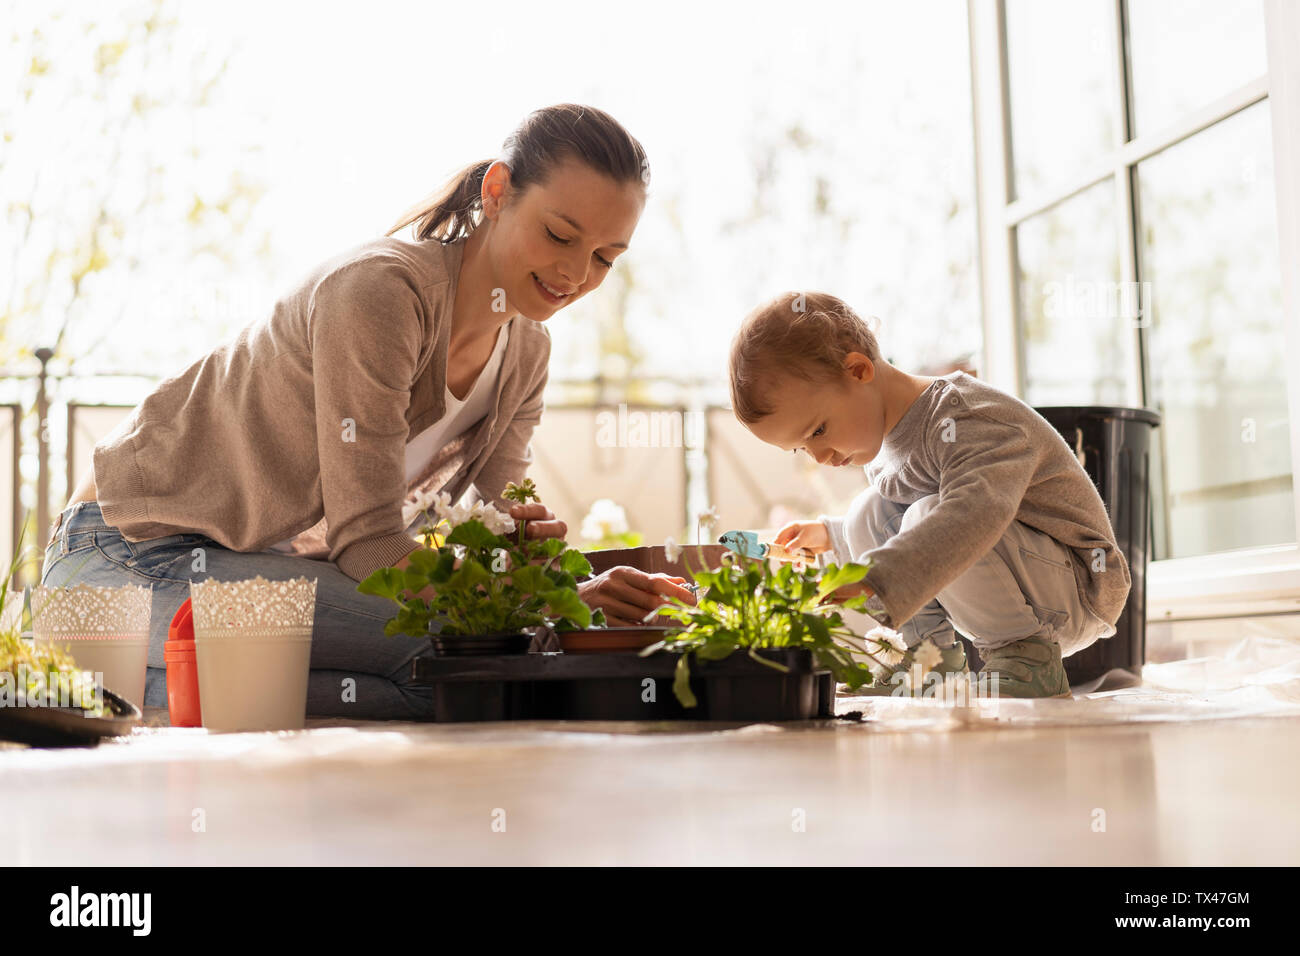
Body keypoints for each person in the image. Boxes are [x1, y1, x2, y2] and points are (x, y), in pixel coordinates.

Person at [42, 104, 694, 719]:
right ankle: (103, 661)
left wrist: (549, 583)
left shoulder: (526, 352)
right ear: (497, 193)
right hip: (128, 555)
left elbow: (486, 553)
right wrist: (551, 619)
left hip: (248, 568)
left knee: (471, 670)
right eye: (560, 234)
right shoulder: (381, 292)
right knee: (452, 659)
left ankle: (139, 681)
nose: (577, 272)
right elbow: (371, 542)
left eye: (606, 257)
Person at [728, 291, 1130, 698]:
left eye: (817, 430)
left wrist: (882, 578)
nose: (819, 456)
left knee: (929, 514)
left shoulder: (964, 416)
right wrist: (832, 535)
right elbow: (898, 516)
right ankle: (927, 665)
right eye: (801, 447)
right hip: (1032, 575)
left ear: (858, 370)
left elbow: (975, 513)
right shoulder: (885, 443)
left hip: (1081, 587)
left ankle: (1028, 661)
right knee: (867, 511)